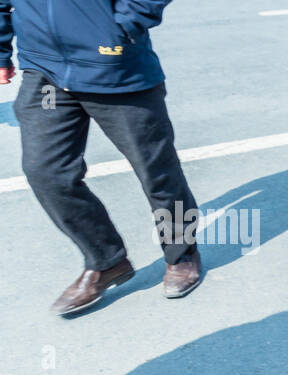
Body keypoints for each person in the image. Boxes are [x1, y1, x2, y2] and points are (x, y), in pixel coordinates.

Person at [0, 0, 201, 316]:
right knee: (46, 172)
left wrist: (120, 28)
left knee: (156, 171)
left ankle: (182, 253)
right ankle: (106, 261)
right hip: (46, 74)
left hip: (116, 70)